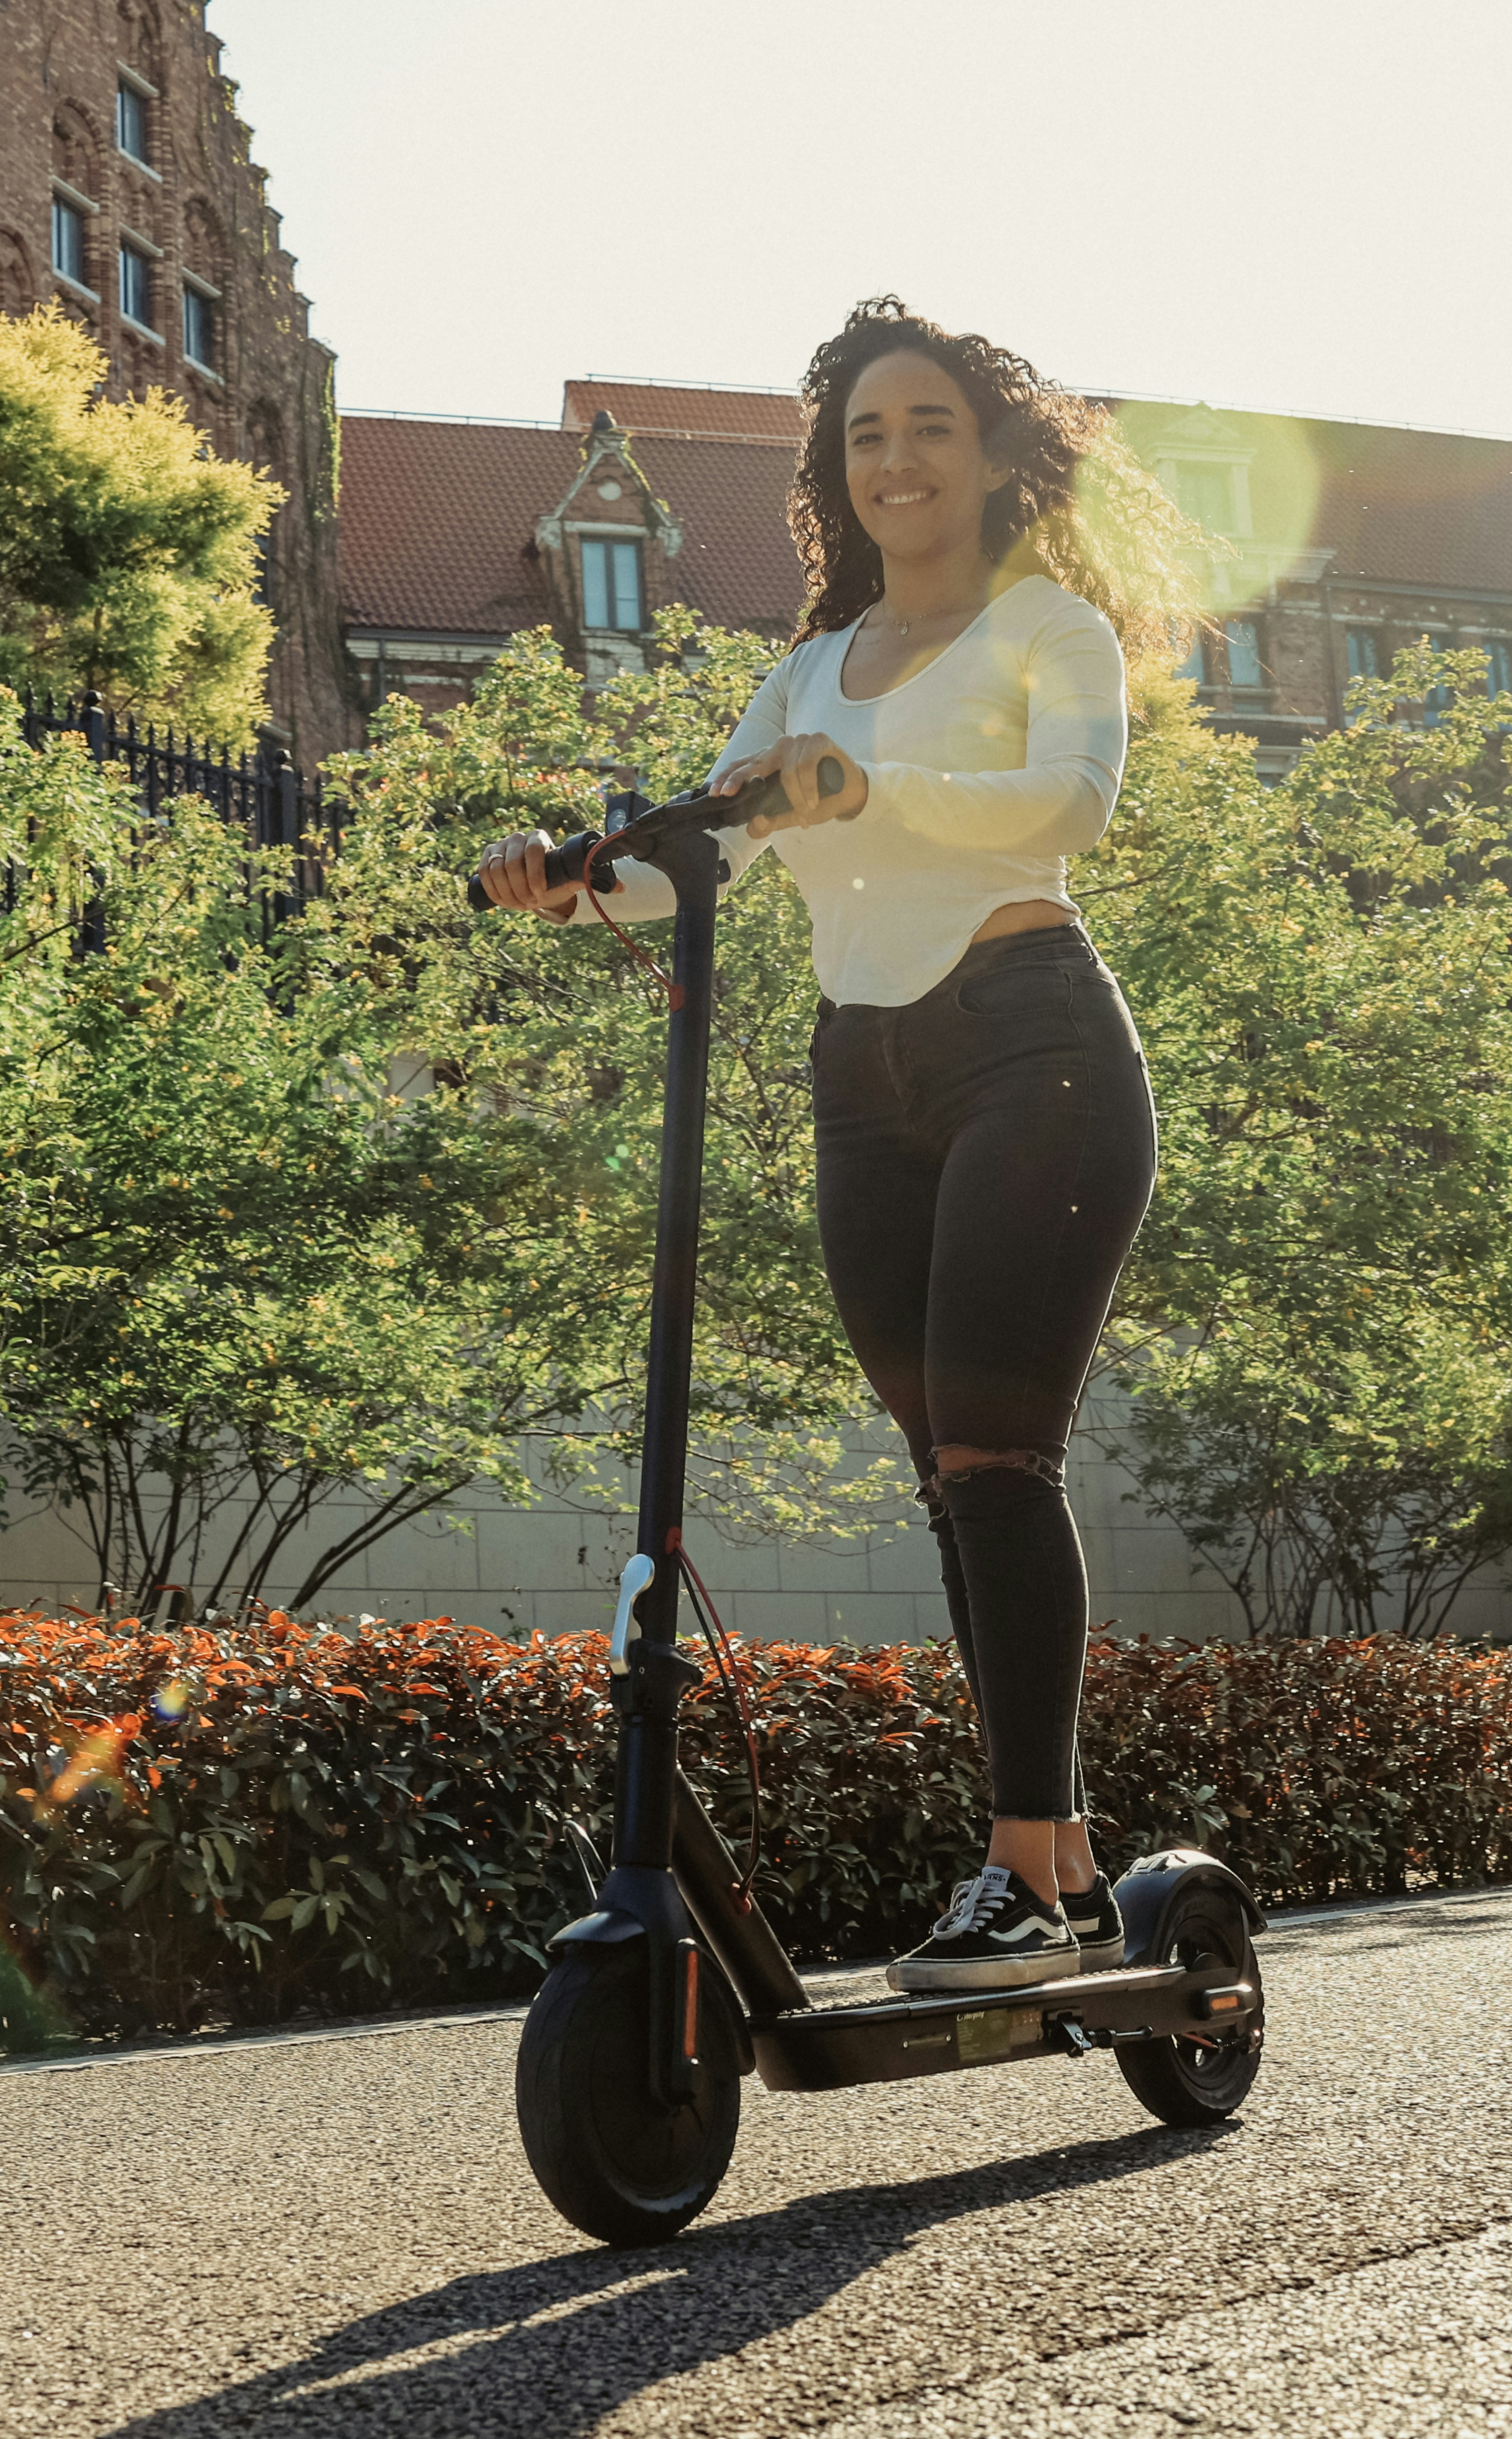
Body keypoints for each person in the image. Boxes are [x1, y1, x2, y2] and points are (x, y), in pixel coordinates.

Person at [477, 299, 1195, 1993]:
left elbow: (1070, 804)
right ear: (835, 472)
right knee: (947, 1474)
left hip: (1036, 1046)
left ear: (997, 452)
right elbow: (697, 859)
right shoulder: (801, 676)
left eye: (931, 425)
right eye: (868, 434)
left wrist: (871, 792)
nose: (898, 459)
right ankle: (1068, 1870)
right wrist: (572, 871)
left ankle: (1028, 1872)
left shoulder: (1048, 629)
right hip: (861, 1079)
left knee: (996, 1458)